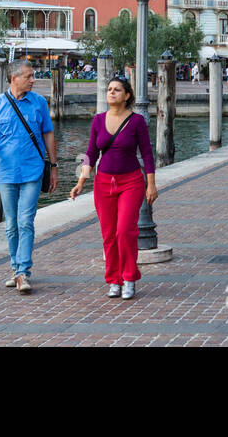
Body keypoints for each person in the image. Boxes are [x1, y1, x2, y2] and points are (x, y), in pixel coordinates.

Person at [69, 74, 157, 299]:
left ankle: (129, 277)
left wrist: (151, 184)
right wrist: (81, 182)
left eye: (117, 89)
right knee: (109, 234)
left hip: (131, 182)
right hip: (103, 183)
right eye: (109, 89)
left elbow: (147, 153)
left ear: (127, 96)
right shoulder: (98, 120)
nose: (111, 92)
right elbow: (90, 153)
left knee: (125, 231)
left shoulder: (136, 121)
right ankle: (113, 280)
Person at [0, 60, 57, 294]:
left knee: (25, 222)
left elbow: (48, 135)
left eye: (33, 76)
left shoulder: (39, 103)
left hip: (33, 171)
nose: (33, 80)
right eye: (29, 76)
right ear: (14, 78)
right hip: (6, 174)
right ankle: (15, 268)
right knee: (11, 225)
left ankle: (23, 272)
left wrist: (54, 166)